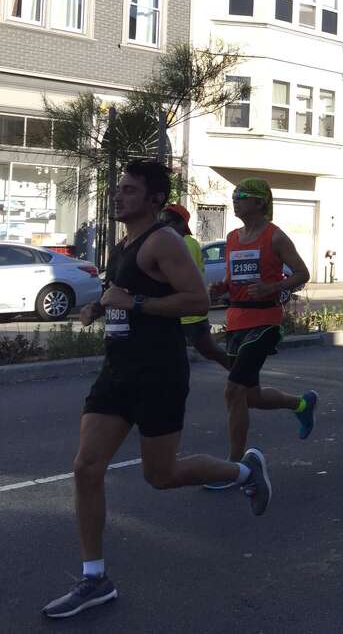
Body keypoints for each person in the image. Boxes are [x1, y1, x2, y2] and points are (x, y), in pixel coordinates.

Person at [43, 161, 272, 620]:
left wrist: (136, 302)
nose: (118, 195)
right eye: (118, 188)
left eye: (129, 189)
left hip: (159, 373)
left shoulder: (164, 241)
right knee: (86, 466)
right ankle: (95, 579)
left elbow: (197, 300)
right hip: (118, 370)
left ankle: (245, 472)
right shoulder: (123, 244)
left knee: (161, 475)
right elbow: (118, 292)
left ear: (154, 200)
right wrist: (97, 308)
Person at [206, 179, 316, 482]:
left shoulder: (275, 237)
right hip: (236, 321)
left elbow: (303, 273)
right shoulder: (232, 237)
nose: (235, 200)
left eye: (241, 196)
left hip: (264, 322)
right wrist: (222, 288)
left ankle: (235, 468)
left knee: (233, 391)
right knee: (250, 397)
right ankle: (302, 404)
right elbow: (234, 279)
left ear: (259, 202)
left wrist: (272, 287)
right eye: (234, 196)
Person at [158, 204, 229, 371]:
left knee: (209, 351)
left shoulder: (183, 244)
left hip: (188, 315)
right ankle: (240, 374)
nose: (163, 226)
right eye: (161, 222)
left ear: (180, 224)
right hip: (182, 313)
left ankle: (241, 376)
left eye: (167, 222)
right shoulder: (184, 242)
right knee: (202, 352)